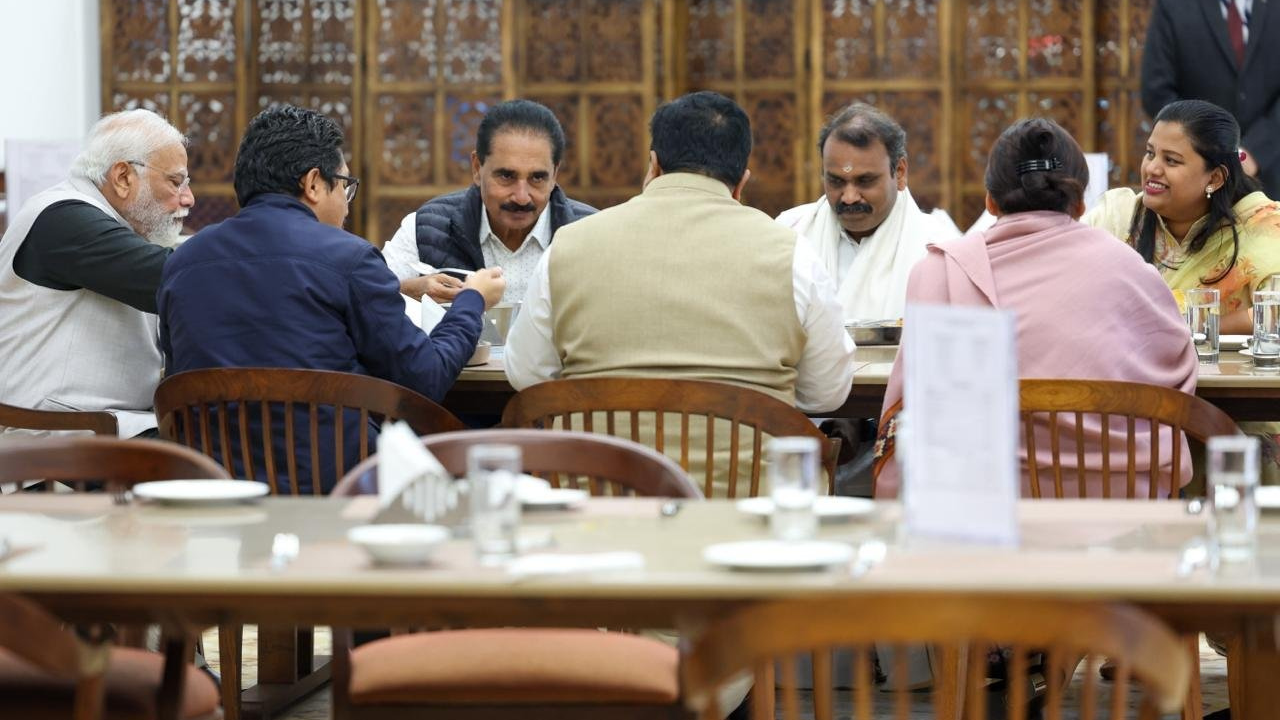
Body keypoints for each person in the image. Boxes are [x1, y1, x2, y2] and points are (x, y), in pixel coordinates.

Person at [505, 90, 856, 495]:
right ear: (741, 182)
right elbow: (827, 391)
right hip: (748, 504)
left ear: (653, 165)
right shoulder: (792, 253)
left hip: (599, 501)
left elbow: (526, 374)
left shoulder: (567, 246)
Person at [158, 104, 504, 493]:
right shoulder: (348, 258)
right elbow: (425, 378)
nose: (346, 202)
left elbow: (178, 377)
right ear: (313, 183)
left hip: (215, 487)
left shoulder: (182, 264)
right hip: (337, 488)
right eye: (344, 185)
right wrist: (471, 301)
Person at [874, 118, 1198, 499]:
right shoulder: (1130, 271)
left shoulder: (938, 273)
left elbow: (905, 410)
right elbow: (1178, 367)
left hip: (979, 518)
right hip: (1118, 511)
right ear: (1079, 203)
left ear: (989, 201)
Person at [0, 109, 195, 438]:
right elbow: (170, 278)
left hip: (106, 425)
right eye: (176, 182)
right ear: (122, 177)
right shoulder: (62, 219)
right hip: (50, 436)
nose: (187, 198)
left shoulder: (119, 227)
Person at [1084, 99, 1280, 336]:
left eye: (1171, 160)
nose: (1152, 168)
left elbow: (1275, 314)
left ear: (1215, 178)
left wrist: (1190, 328)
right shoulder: (1117, 216)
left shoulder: (1260, 225)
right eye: (1150, 153)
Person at [381, 99, 595, 306]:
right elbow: (365, 299)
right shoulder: (426, 228)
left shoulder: (593, 235)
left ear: (555, 173)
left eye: (537, 178)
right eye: (506, 176)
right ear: (477, 168)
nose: (521, 197)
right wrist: (406, 291)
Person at [776, 102, 960, 321]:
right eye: (836, 181)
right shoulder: (789, 234)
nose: (849, 197)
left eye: (865, 181)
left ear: (900, 173)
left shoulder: (940, 248)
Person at [1142, 0, 1280, 196]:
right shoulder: (1172, 6)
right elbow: (1156, 91)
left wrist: (1253, 152)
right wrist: (1207, 148)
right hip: (1196, 175)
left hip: (1271, 173)